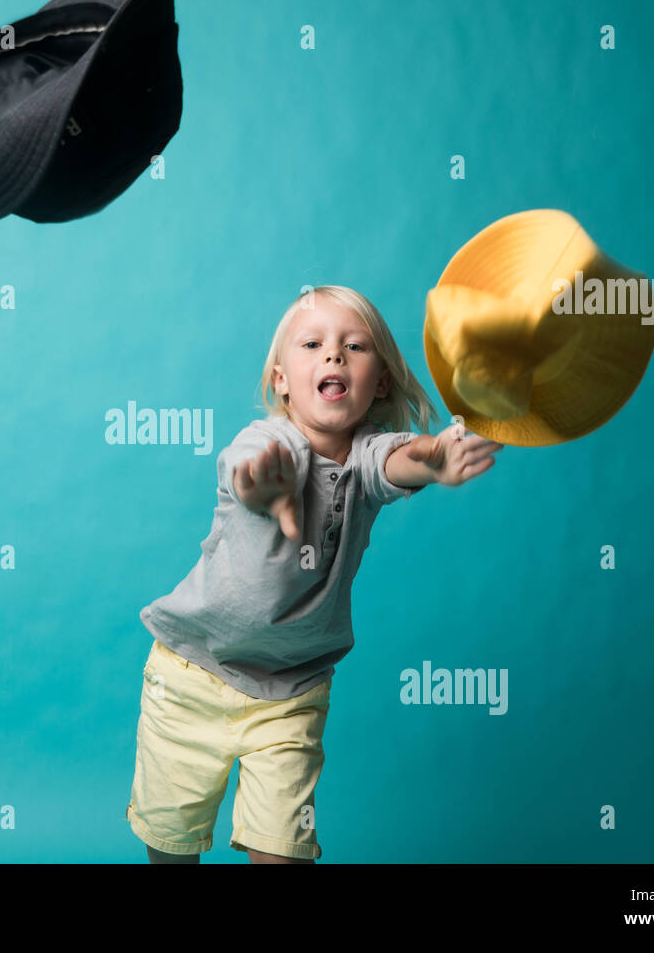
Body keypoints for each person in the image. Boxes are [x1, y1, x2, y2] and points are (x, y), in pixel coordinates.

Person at [125, 285, 504, 863]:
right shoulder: (267, 441)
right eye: (313, 344)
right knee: (171, 846)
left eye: (354, 345)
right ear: (281, 380)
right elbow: (245, 471)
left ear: (380, 381)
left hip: (291, 692)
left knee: (282, 850)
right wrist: (267, 487)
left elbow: (400, 460)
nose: (334, 356)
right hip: (191, 676)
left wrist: (437, 459)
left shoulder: (371, 454)